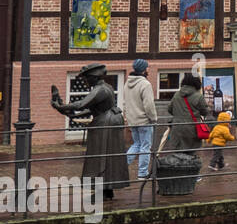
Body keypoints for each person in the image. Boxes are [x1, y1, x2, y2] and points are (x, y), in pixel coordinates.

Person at [50, 64, 129, 199]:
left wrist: (61, 106)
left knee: (101, 156)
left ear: (94, 77)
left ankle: (103, 191)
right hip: (107, 121)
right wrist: (72, 114)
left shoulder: (100, 90)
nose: (85, 81)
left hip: (105, 124)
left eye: (86, 78)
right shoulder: (106, 87)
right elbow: (92, 109)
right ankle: (107, 190)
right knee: (106, 156)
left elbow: (81, 104)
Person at [163, 72, 214, 184]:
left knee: (178, 152)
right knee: (190, 153)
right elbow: (204, 111)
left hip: (177, 128)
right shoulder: (198, 96)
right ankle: (193, 175)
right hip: (192, 129)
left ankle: (179, 175)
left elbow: (170, 109)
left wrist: (179, 114)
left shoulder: (177, 94)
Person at [122, 58, 157, 180]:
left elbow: (125, 103)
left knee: (136, 144)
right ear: (143, 69)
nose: (148, 69)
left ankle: (121, 167)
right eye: (147, 67)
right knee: (145, 147)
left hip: (133, 120)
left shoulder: (127, 83)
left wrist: (127, 117)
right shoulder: (145, 84)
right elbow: (149, 105)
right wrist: (154, 118)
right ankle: (142, 173)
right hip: (144, 121)